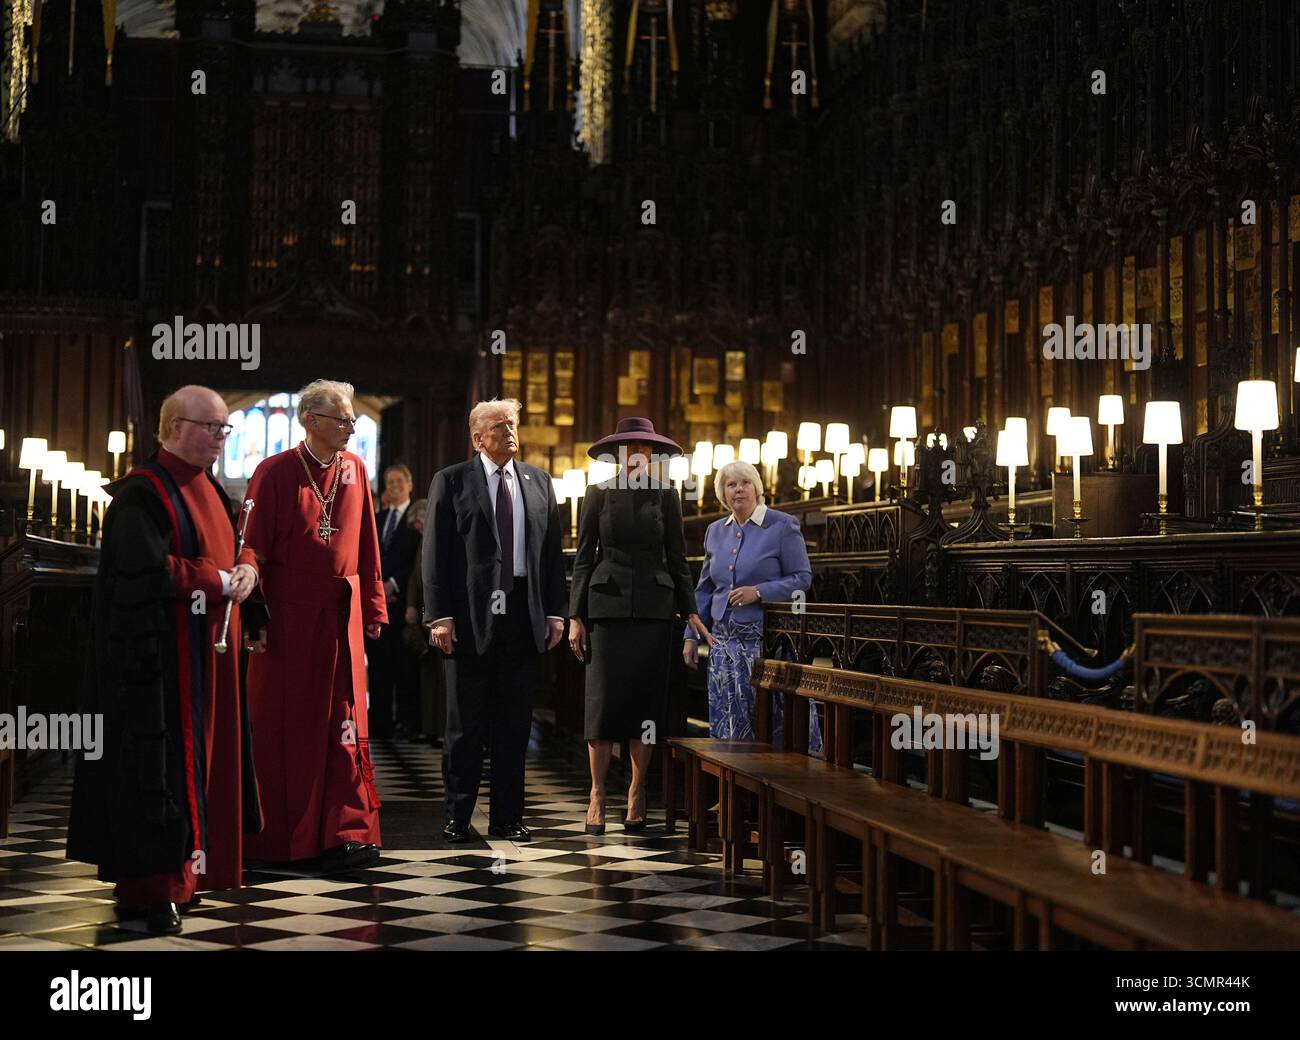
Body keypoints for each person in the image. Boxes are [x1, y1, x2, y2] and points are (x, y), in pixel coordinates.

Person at [67, 385, 262, 934]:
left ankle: (192, 873)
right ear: (174, 426)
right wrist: (217, 578)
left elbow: (234, 549)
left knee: (202, 766)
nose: (221, 438)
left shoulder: (211, 489)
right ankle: (151, 892)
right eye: (211, 427)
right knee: (157, 771)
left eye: (226, 428)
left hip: (209, 660)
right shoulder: (141, 494)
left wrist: (248, 570)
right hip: (157, 666)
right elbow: (144, 572)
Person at [241, 379, 386, 873]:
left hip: (339, 620)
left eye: (352, 418)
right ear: (311, 420)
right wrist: (252, 614)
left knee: (342, 728)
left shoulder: (356, 469)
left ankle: (345, 831)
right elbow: (252, 551)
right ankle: (279, 839)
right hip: (286, 622)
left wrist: (374, 607)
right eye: (342, 418)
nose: (351, 426)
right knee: (287, 727)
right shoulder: (274, 472)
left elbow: (367, 545)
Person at [423, 398, 566, 843]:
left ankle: (508, 817)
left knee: (514, 723)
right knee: (465, 725)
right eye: (499, 426)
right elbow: (436, 555)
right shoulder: (452, 480)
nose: (509, 431)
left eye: (512, 424)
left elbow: (550, 552)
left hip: (523, 614)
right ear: (477, 437)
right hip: (468, 616)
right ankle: (457, 815)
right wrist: (439, 617)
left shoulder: (538, 481)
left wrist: (556, 611)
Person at [568, 418, 714, 834]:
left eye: (644, 448)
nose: (637, 454)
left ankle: (636, 791)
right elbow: (583, 556)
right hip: (606, 608)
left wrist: (691, 611)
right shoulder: (596, 493)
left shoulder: (667, 495)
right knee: (603, 703)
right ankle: (597, 794)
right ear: (619, 452)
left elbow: (676, 557)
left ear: (651, 454)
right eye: (630, 447)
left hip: (654, 608)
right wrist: (576, 615)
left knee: (645, 705)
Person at [684, 460, 819, 749]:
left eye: (745, 483)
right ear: (723, 493)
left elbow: (802, 579)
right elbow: (705, 589)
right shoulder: (715, 531)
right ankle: (732, 791)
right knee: (726, 721)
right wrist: (691, 636)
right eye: (731, 485)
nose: (738, 489)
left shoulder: (782, 525)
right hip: (723, 647)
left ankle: (766, 789)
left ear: (757, 488)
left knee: (764, 726)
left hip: (764, 643)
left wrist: (758, 591)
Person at [366, 464, 421, 739]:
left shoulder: (419, 520)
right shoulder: (378, 517)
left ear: (410, 484)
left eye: (400, 481)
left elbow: (418, 561)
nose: (395, 486)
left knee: (405, 666)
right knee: (378, 664)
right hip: (378, 603)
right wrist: (378, 586)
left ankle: (407, 722)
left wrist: (394, 584)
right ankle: (379, 720)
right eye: (390, 482)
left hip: (404, 604)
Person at [403, 499, 447, 746]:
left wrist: (431, 613)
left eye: (419, 524)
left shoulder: (441, 537)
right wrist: (412, 606)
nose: (418, 529)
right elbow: (414, 577)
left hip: (438, 616)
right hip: (424, 615)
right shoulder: (424, 538)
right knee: (428, 674)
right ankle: (429, 727)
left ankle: (442, 730)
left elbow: (437, 578)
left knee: (442, 678)